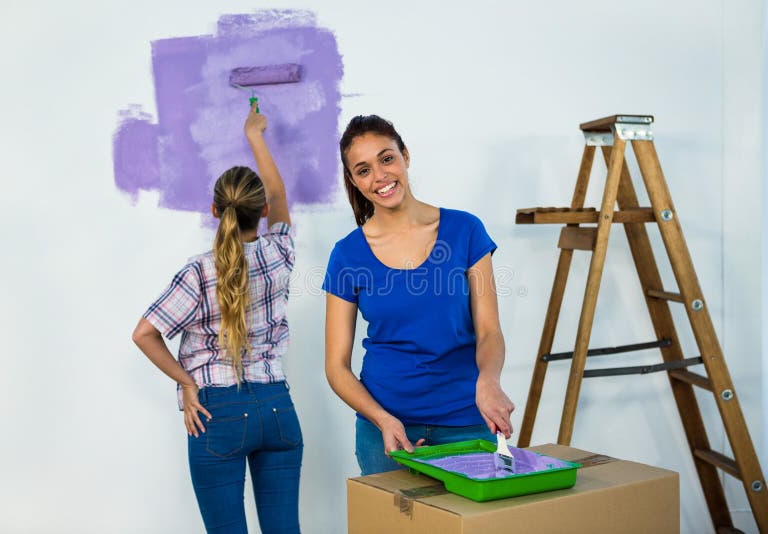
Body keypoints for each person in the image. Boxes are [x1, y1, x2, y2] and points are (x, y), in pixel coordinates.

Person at [132, 102, 302, 533]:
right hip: (277, 408)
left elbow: (145, 333)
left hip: (216, 413)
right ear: (262, 212)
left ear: (214, 211)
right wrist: (255, 135)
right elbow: (279, 196)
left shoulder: (198, 272)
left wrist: (187, 383)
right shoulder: (279, 253)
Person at [323, 114, 515, 476]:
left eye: (386, 158)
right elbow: (336, 367)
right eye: (363, 170)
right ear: (353, 180)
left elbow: (489, 330)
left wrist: (489, 382)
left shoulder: (466, 230)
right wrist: (381, 419)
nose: (380, 176)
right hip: (385, 432)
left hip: (467, 423)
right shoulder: (347, 255)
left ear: (405, 155)